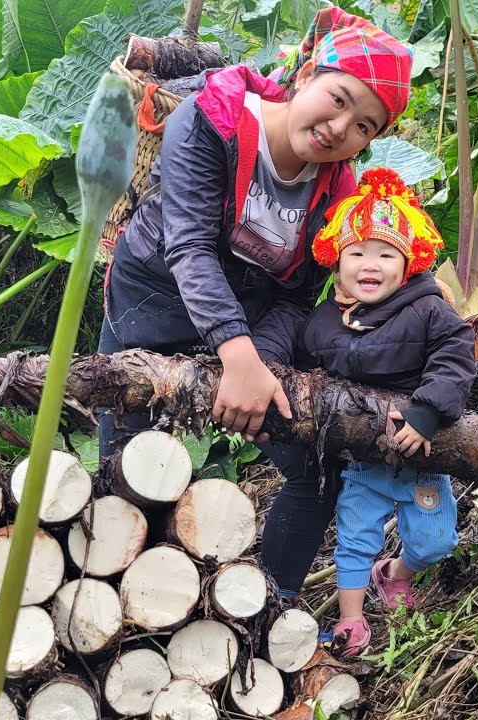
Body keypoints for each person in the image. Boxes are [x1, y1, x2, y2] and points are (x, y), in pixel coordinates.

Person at [98, 8, 415, 597]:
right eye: (339, 98)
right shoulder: (212, 119)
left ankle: (269, 612)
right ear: (305, 78)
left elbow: (296, 297)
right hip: (148, 308)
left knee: (317, 472)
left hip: (242, 330)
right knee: (122, 478)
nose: (340, 126)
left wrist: (259, 367)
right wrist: (238, 356)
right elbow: (187, 245)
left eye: (366, 125)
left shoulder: (335, 191)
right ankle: (122, 613)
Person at [296, 168, 478, 658]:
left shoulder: (428, 310)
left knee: (435, 542)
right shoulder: (325, 319)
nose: (369, 264)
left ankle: (394, 572)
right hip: (362, 460)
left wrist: (428, 412)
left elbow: (456, 353)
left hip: (420, 459)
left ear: (407, 262)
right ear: (338, 261)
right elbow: (303, 362)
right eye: (356, 253)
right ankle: (351, 618)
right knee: (354, 538)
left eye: (385, 254)